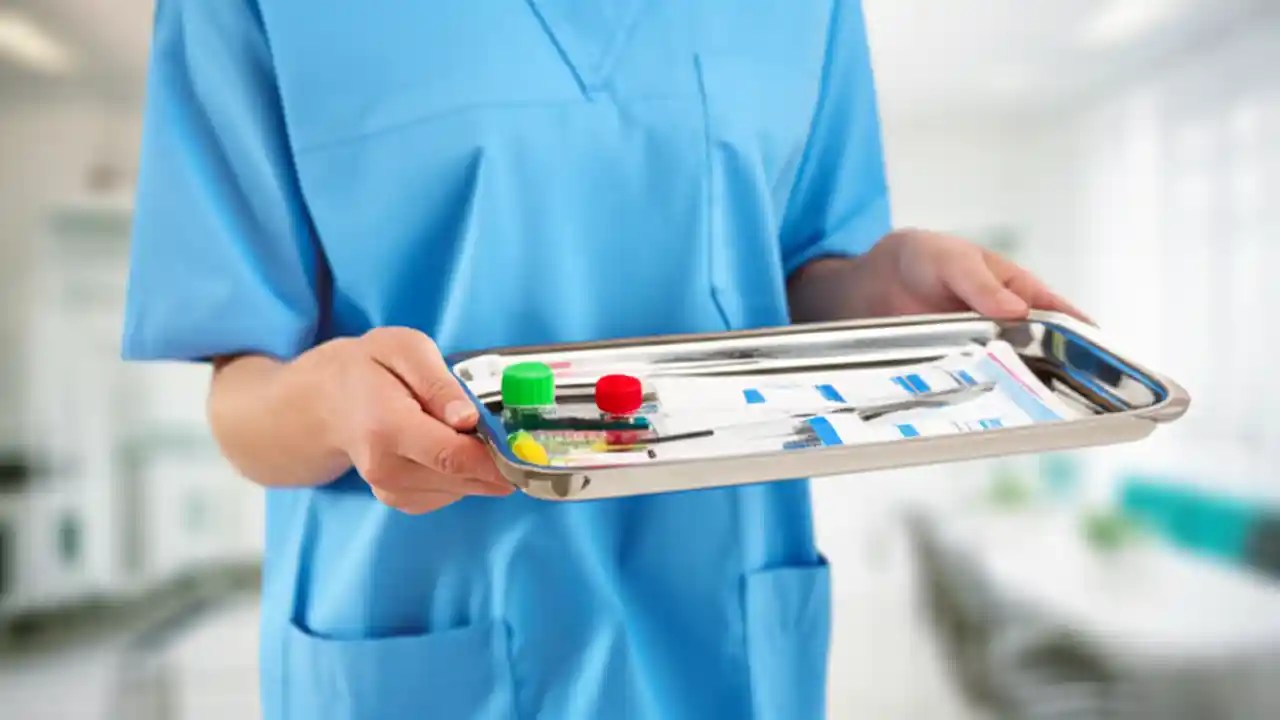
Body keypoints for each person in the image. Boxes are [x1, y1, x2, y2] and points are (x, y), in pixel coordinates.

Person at [123, 1, 1086, 718]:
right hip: (422, 620)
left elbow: (786, 279)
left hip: (725, 610)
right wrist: (330, 402)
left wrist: (881, 286)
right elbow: (243, 403)